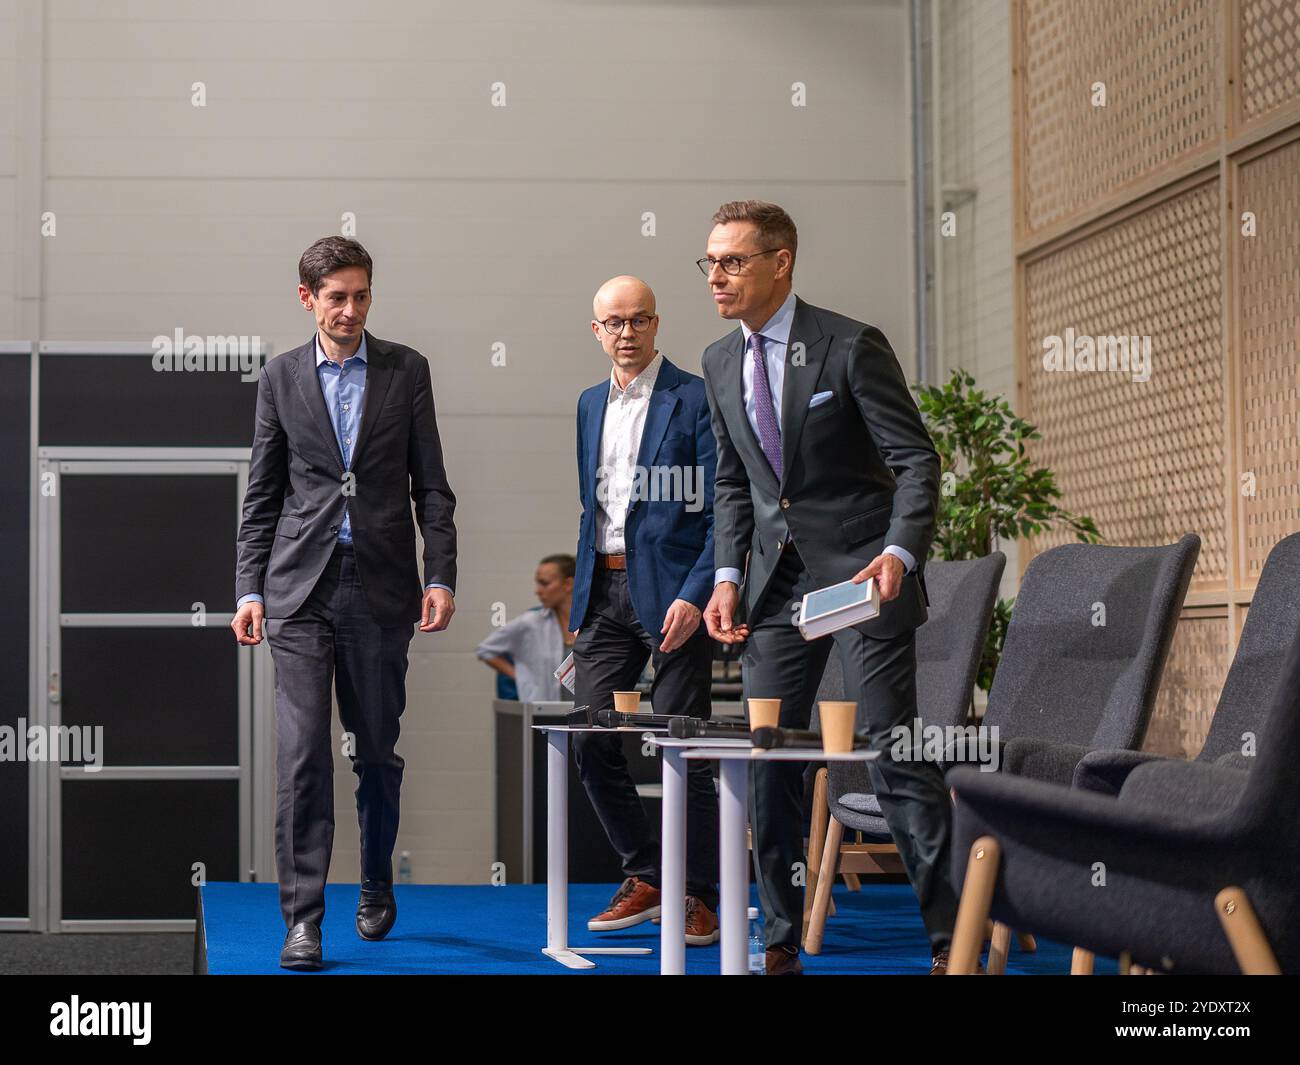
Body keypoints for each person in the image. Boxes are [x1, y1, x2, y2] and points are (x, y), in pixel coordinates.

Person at [698, 200, 958, 974]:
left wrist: (899, 555)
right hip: (774, 589)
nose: (716, 275)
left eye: (733, 261)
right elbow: (733, 485)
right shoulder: (718, 361)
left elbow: (917, 461)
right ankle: (778, 939)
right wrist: (725, 576)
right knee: (766, 752)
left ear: (782, 262)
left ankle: (953, 941)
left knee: (894, 754)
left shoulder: (850, 345)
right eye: (709, 262)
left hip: (862, 579)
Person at [232, 236, 457, 970]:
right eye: (337, 297)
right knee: (302, 757)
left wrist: (441, 574)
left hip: (382, 587)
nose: (352, 309)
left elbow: (434, 487)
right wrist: (248, 586)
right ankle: (303, 919)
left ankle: (377, 876)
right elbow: (262, 494)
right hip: (299, 591)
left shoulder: (406, 370)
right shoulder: (280, 377)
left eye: (361, 295)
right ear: (308, 298)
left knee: (376, 753)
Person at [568, 275, 721, 945]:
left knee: (683, 745)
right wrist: (580, 602)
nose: (626, 332)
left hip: (674, 594)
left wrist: (696, 591)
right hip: (605, 592)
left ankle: (698, 892)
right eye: (614, 322)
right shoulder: (586, 404)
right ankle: (647, 873)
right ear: (596, 331)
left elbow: (725, 509)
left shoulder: (696, 399)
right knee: (591, 738)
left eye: (639, 320)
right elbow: (593, 510)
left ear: (656, 324)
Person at [476, 554, 576, 703]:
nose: (538, 591)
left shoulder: (594, 624)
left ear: (568, 584)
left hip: (586, 714)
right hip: (545, 713)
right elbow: (486, 650)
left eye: (544, 583)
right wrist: (522, 677)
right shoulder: (531, 622)